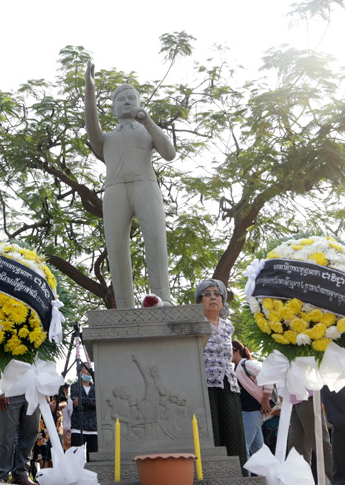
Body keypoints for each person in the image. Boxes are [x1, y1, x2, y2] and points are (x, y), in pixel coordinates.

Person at [84, 62, 177, 308]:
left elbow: (169, 153)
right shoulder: (105, 140)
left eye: (131, 98)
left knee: (156, 242)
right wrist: (90, 91)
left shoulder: (147, 132)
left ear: (139, 102)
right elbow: (91, 125)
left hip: (145, 186)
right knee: (116, 247)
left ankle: (162, 299)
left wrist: (148, 121)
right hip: (115, 189)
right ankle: (124, 306)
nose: (126, 102)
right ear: (113, 107)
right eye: (120, 99)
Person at [196, 279, 248, 472]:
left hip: (228, 383)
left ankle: (237, 472)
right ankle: (214, 471)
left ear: (223, 300)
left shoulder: (228, 327)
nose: (212, 297)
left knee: (233, 427)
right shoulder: (196, 324)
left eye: (216, 294)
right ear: (200, 300)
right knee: (212, 428)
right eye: (207, 294)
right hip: (205, 384)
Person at [232, 340, 272, 460]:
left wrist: (265, 400)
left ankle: (245, 471)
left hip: (252, 410)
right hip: (249, 410)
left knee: (243, 446)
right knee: (258, 449)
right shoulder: (237, 367)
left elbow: (268, 377)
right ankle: (269, 470)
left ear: (237, 351)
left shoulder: (246, 364)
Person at [0, 392, 41, 485]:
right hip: (11, 390)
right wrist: (1, 390)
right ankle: (2, 475)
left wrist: (46, 391)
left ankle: (21, 473)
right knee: (7, 434)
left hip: (33, 390)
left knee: (31, 431)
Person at [69, 362, 98, 460]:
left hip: (93, 428)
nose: (89, 371)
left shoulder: (96, 387)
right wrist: (90, 401)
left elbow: (97, 402)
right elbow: (75, 402)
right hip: (78, 427)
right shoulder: (74, 386)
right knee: (76, 459)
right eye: (86, 368)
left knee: (93, 460)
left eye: (90, 369)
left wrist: (82, 400)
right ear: (80, 371)